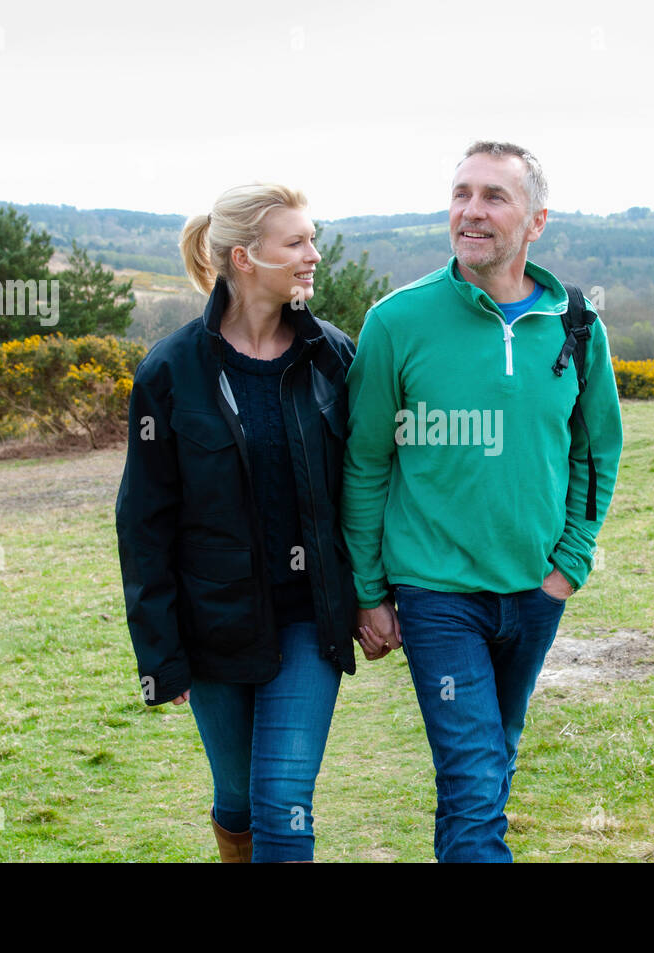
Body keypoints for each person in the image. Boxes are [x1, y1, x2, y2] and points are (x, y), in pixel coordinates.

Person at [342, 141, 624, 862]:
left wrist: (569, 563)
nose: (472, 210)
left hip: (535, 591)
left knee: (490, 764)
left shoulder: (577, 323)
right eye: (461, 192)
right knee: (474, 780)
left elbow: (597, 450)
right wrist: (370, 592)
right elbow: (367, 461)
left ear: (535, 221)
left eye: (495, 196)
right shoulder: (396, 322)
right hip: (436, 594)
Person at [115, 183, 384, 863]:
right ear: (244, 257)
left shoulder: (334, 357)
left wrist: (379, 595)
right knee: (237, 798)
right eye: (296, 242)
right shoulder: (172, 370)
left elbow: (368, 483)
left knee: (283, 802)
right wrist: (161, 651)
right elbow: (144, 520)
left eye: (312, 238)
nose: (314, 255)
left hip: (308, 620)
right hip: (214, 626)